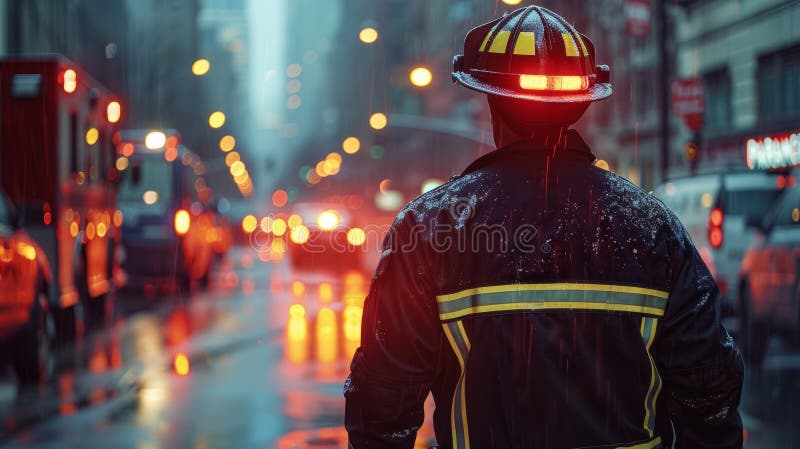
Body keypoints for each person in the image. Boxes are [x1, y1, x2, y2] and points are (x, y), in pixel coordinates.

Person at [344, 5, 744, 449]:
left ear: (491, 101)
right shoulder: (653, 228)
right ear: (580, 104)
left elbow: (381, 410)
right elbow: (711, 397)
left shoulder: (431, 229)